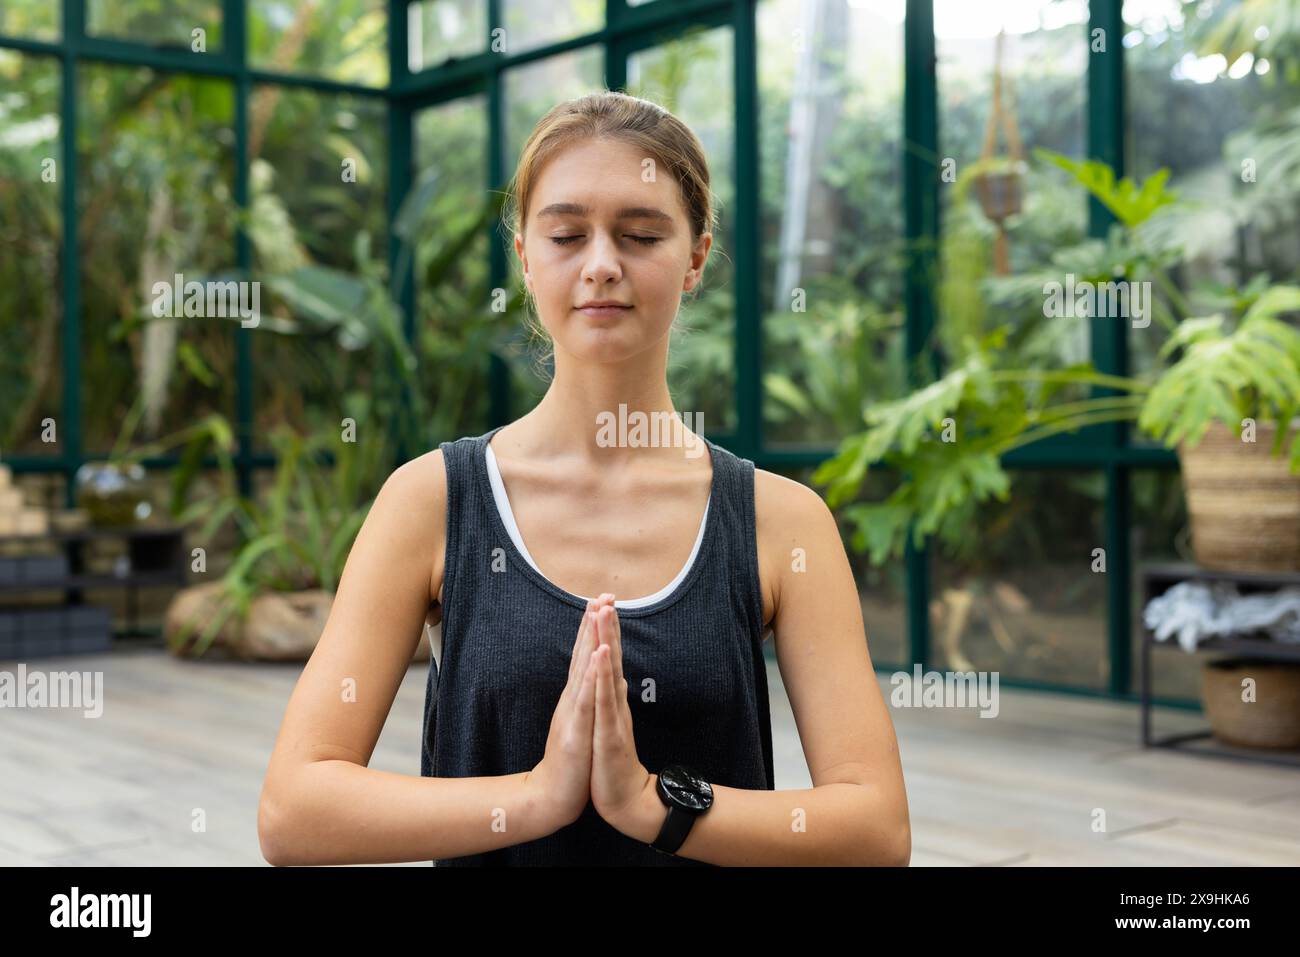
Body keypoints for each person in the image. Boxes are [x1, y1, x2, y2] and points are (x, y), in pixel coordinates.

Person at [258, 90, 909, 866]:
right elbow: (294, 809)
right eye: (567, 234)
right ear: (527, 258)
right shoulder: (433, 501)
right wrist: (535, 796)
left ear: (696, 257)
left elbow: (876, 828)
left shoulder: (781, 521)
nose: (602, 265)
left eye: (640, 234)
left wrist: (653, 804)